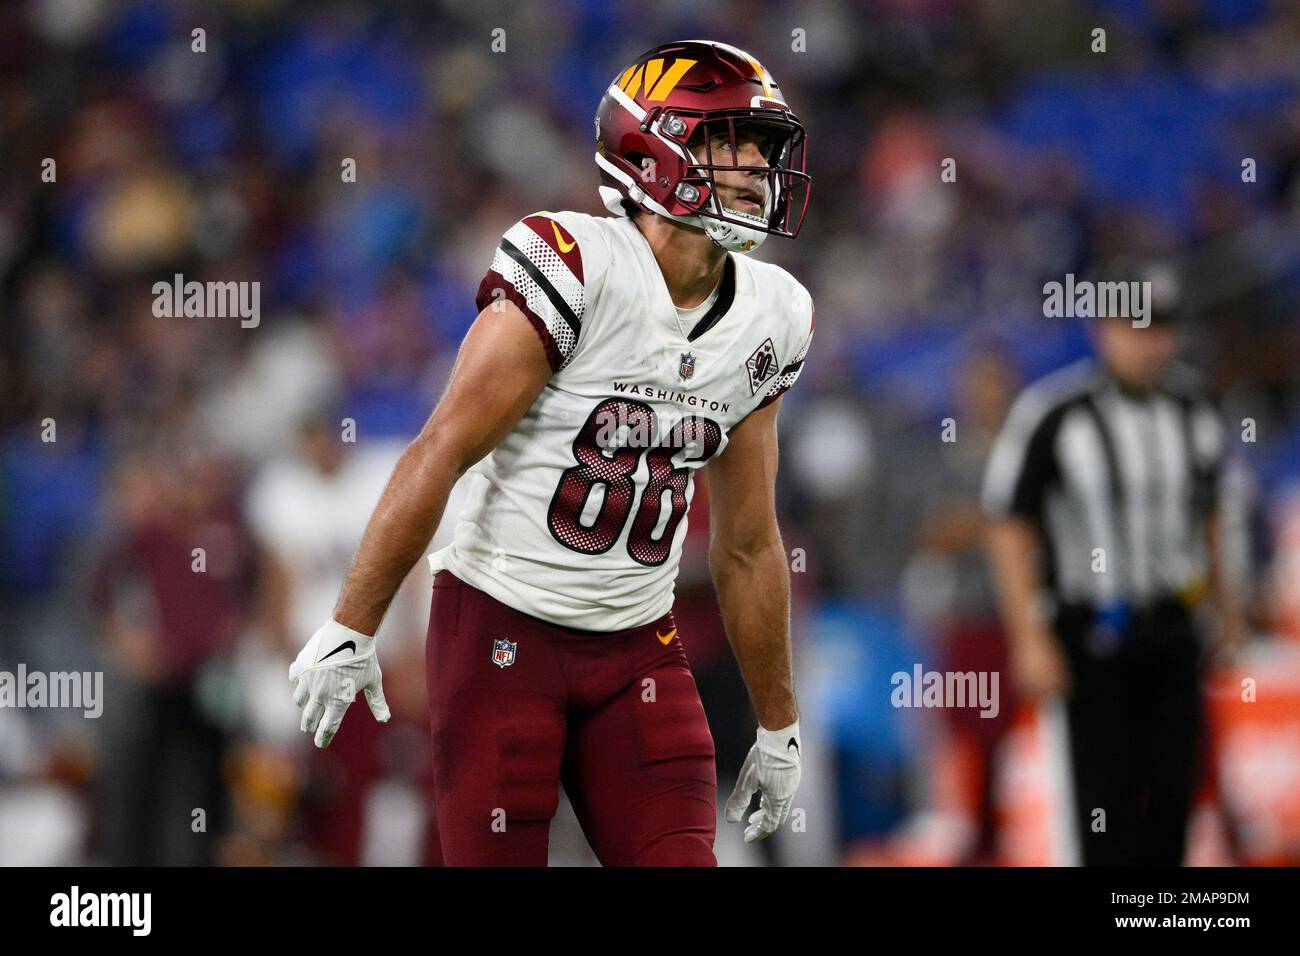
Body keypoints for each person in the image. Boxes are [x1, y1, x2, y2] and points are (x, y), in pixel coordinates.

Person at [287, 40, 816, 866]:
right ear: (656, 148)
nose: (756, 165)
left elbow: (748, 543)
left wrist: (779, 723)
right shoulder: (574, 266)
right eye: (732, 141)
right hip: (501, 634)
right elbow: (442, 449)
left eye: (763, 147)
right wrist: (353, 623)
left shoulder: (774, 313)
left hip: (640, 643)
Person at [982, 263, 1247, 865]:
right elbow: (1007, 523)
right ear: (1105, 328)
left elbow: (1211, 514)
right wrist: (1029, 637)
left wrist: (1226, 610)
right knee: (1103, 805)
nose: (1154, 342)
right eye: (1139, 327)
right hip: (1091, 634)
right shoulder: (1055, 412)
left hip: (1175, 629)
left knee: (1176, 797)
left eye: (1163, 328)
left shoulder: (1194, 406)